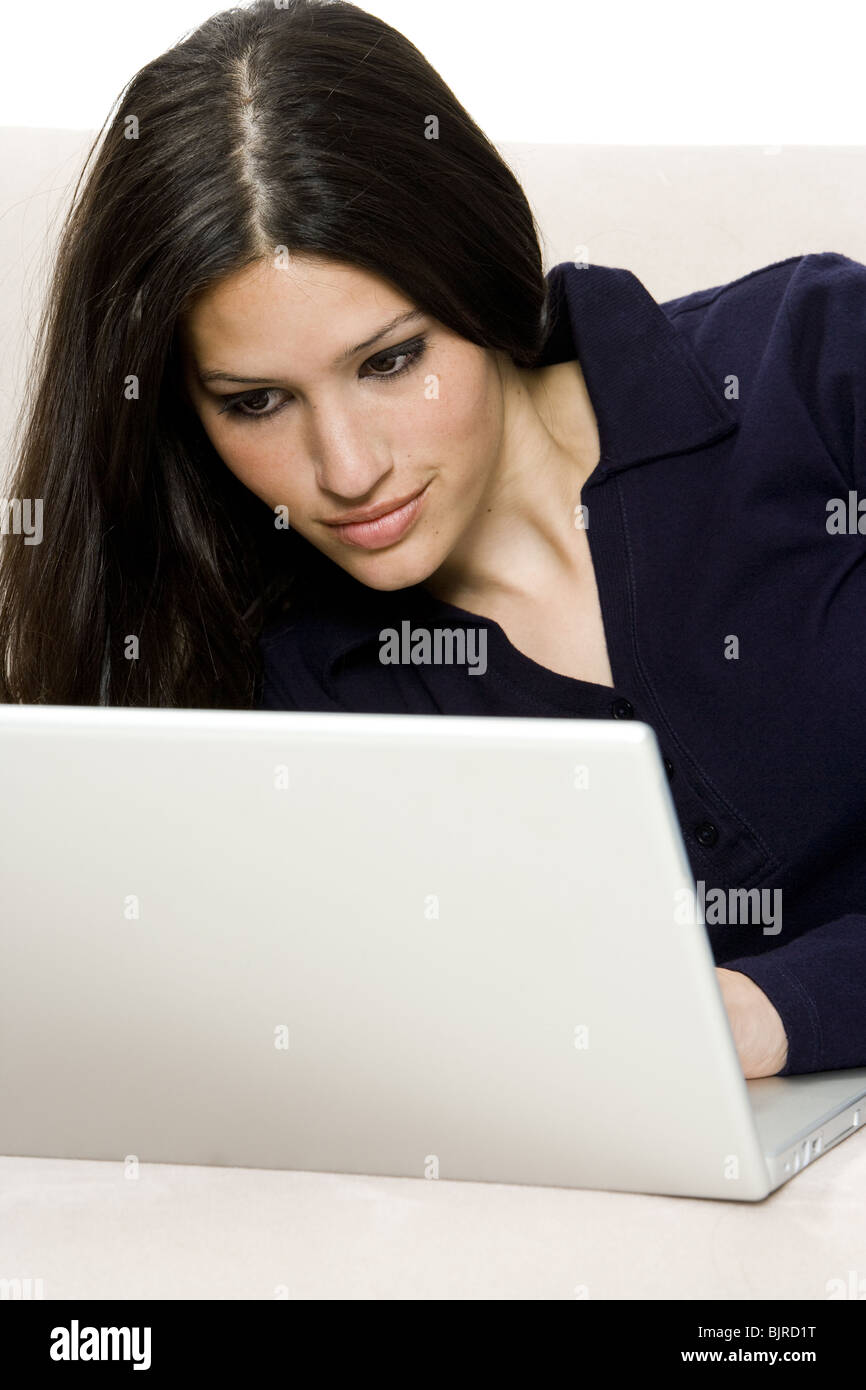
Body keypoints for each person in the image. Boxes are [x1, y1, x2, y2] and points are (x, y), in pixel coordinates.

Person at [2, 0, 864, 1081]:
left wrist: (782, 1006)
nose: (348, 467)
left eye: (390, 361)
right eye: (256, 401)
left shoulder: (816, 367)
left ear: (483, 279)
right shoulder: (270, 684)